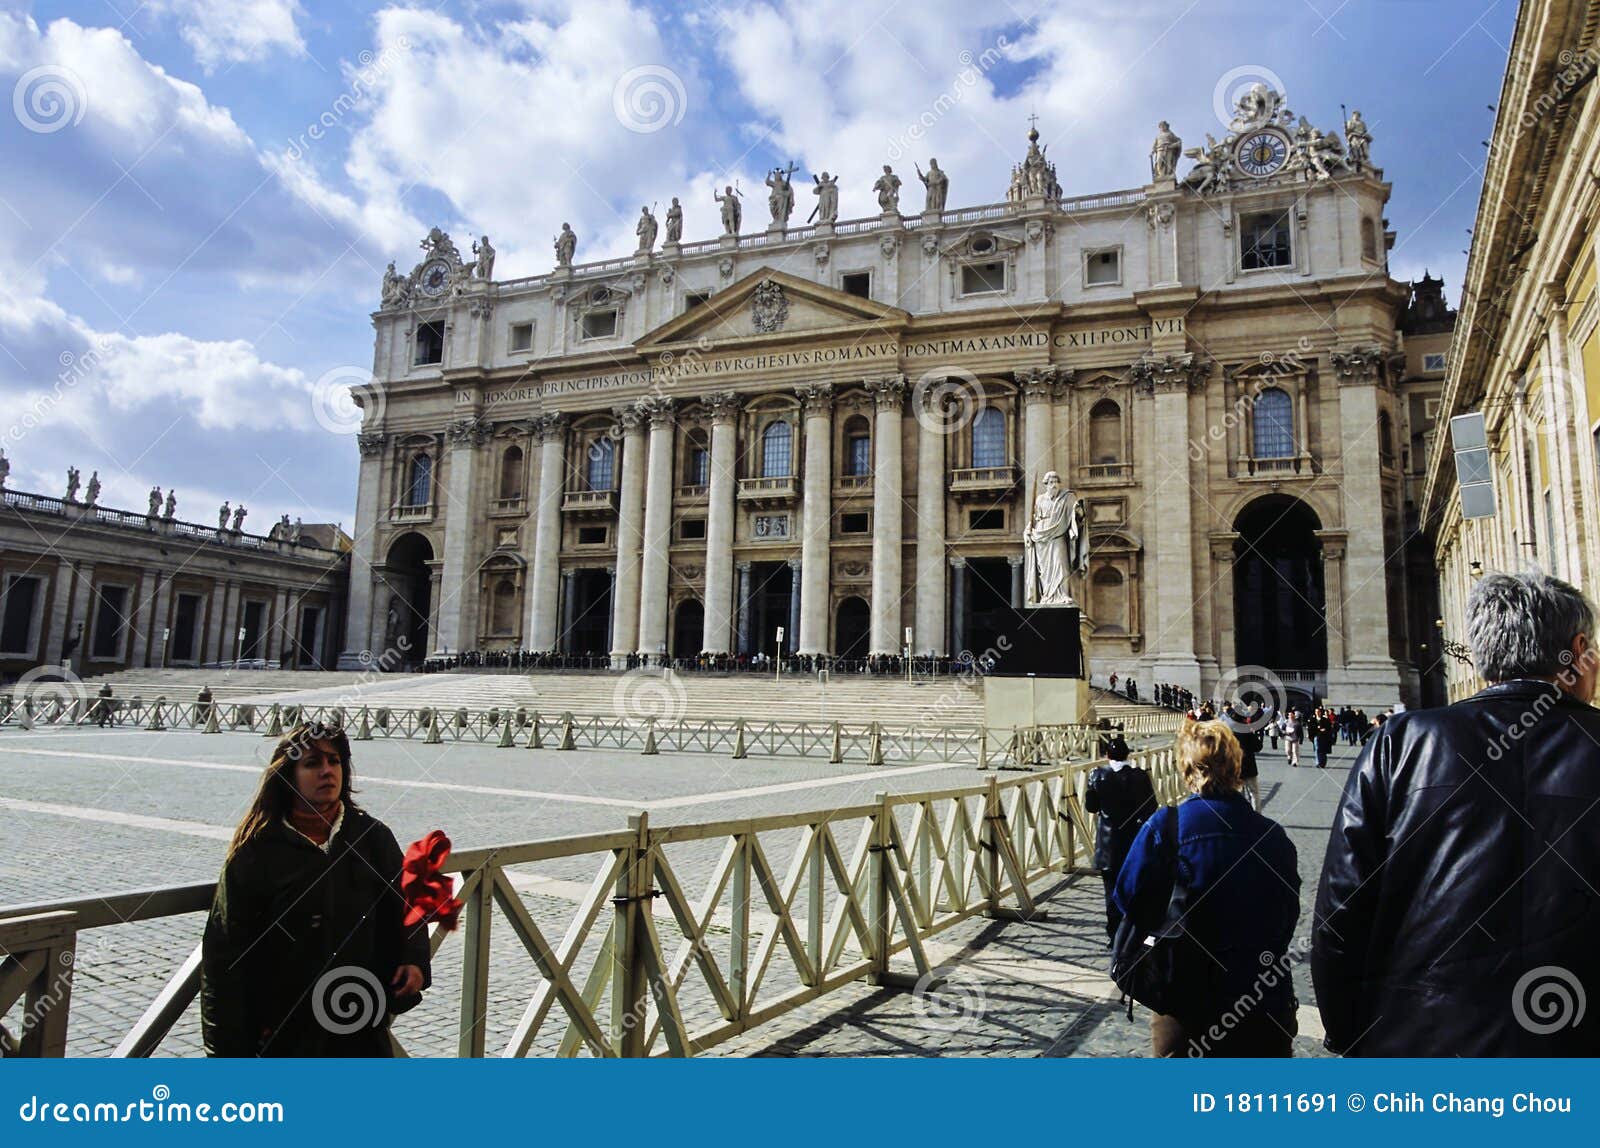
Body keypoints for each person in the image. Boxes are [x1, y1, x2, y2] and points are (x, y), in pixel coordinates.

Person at [1314, 571, 1600, 1055]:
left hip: (1423, 1051)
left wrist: (1352, 1034)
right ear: (1578, 650)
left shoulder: (1400, 744)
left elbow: (1343, 912)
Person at [201, 723, 431, 1056]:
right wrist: (226, 1050)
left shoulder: (371, 836)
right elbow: (225, 953)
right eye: (312, 763)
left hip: (360, 1016)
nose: (327, 771)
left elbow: (407, 903)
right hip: (285, 1029)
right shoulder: (256, 851)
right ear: (288, 775)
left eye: (334, 761)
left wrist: (413, 959)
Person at [1115, 719, 1301, 1056]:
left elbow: (1129, 899)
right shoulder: (1273, 836)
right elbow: (1288, 916)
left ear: (1187, 769)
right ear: (1236, 767)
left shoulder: (1166, 827)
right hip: (1261, 1000)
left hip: (1185, 1002)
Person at [1084, 734, 1156, 942]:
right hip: (1133, 841)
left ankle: (1114, 933)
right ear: (1128, 755)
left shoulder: (1097, 775)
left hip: (1108, 844)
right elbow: (1150, 808)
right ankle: (1132, 930)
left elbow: (1091, 807)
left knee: (1110, 891)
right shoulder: (1140, 776)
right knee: (1134, 887)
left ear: (1107, 755)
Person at [1221, 701, 1263, 808]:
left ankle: (1241, 815)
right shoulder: (1247, 730)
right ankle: (1256, 814)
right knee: (1254, 793)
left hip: (1234, 766)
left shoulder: (1227, 732)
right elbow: (1258, 747)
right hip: (1249, 766)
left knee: (1238, 794)